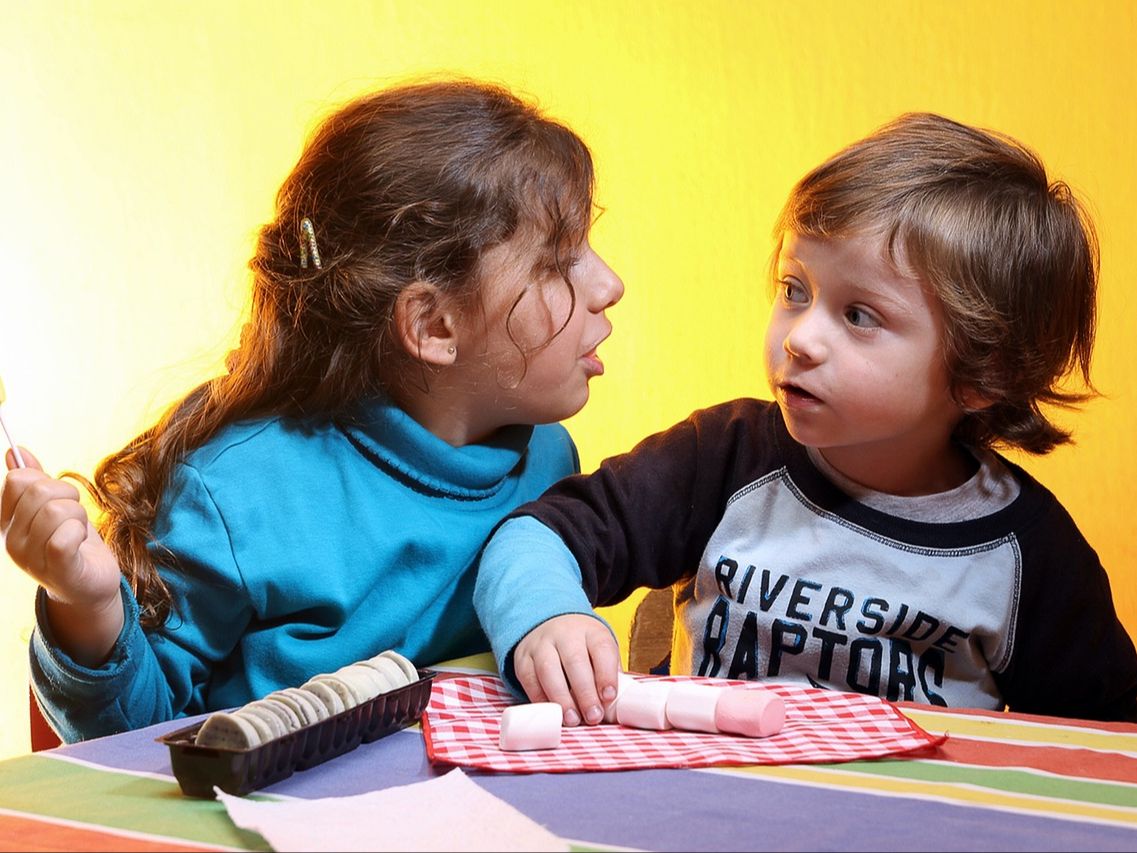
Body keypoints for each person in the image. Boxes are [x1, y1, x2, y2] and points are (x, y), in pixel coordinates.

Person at [0, 77, 624, 743]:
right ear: (435, 324)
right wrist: (90, 604)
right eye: (559, 260)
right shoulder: (237, 490)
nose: (609, 284)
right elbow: (136, 745)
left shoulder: (548, 457)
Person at [474, 112, 1137, 727]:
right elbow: (534, 537)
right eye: (795, 292)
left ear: (979, 375)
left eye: (858, 315)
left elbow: (1106, 744)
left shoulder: (1028, 552)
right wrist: (546, 615)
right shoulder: (721, 456)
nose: (800, 338)